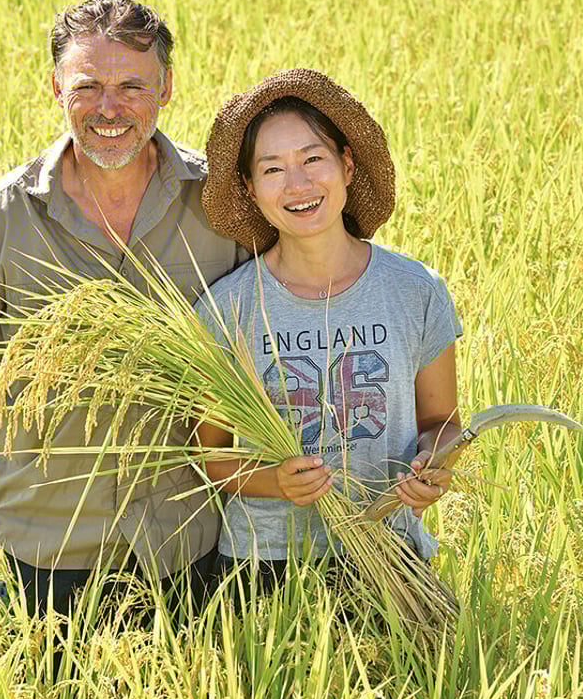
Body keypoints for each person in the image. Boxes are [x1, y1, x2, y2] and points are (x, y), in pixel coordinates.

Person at [0, 0, 246, 626]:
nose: (108, 109)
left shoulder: (220, 204)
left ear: (166, 88)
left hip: (190, 534)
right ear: (55, 87)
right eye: (87, 86)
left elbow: (284, 313)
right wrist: (30, 406)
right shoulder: (0, 217)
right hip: (50, 536)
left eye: (131, 86)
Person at [194, 69, 461, 590]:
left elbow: (442, 420)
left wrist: (434, 464)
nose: (298, 185)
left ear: (346, 164)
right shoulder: (229, 308)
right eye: (272, 169)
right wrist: (275, 482)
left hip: (392, 553)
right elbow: (214, 459)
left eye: (313, 158)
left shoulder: (414, 289)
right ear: (250, 190)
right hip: (264, 565)